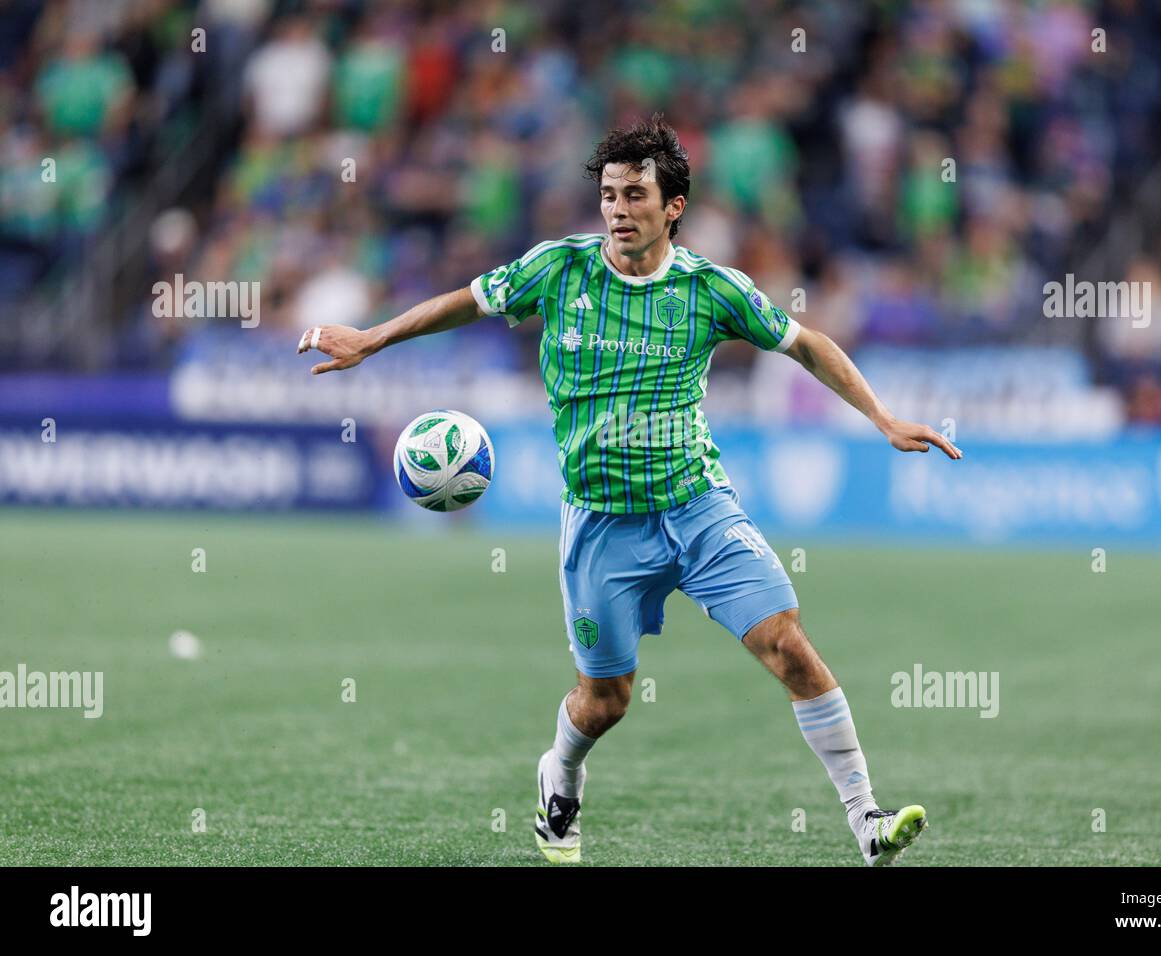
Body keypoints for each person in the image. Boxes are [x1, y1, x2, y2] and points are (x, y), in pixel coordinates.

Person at [297, 115, 962, 865]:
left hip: (698, 505)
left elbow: (805, 344)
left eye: (635, 194)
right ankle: (561, 773)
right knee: (605, 701)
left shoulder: (712, 289)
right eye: (609, 194)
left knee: (788, 646)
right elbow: (465, 301)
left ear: (672, 205)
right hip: (602, 526)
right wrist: (370, 338)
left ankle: (865, 821)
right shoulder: (559, 269)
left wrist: (881, 418)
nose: (617, 208)